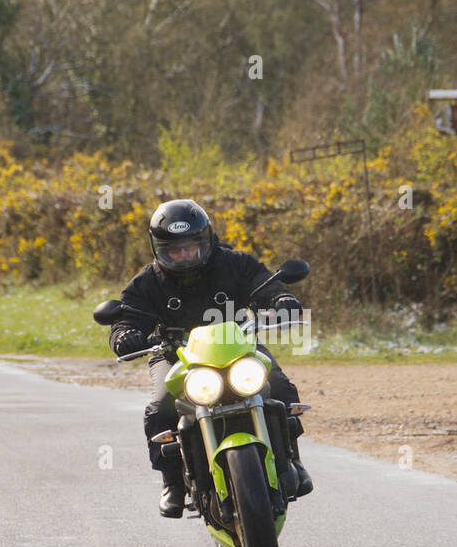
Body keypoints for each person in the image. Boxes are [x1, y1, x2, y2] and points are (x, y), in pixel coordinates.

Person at [108, 198, 314, 517]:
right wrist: (124, 334)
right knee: (160, 406)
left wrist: (282, 298)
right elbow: (127, 316)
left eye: (190, 246)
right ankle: (173, 481)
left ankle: (291, 459)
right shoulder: (147, 282)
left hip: (237, 346)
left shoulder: (234, 264)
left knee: (278, 385)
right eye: (173, 249)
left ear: (206, 240)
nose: (183, 254)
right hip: (174, 353)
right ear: (158, 249)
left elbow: (264, 286)